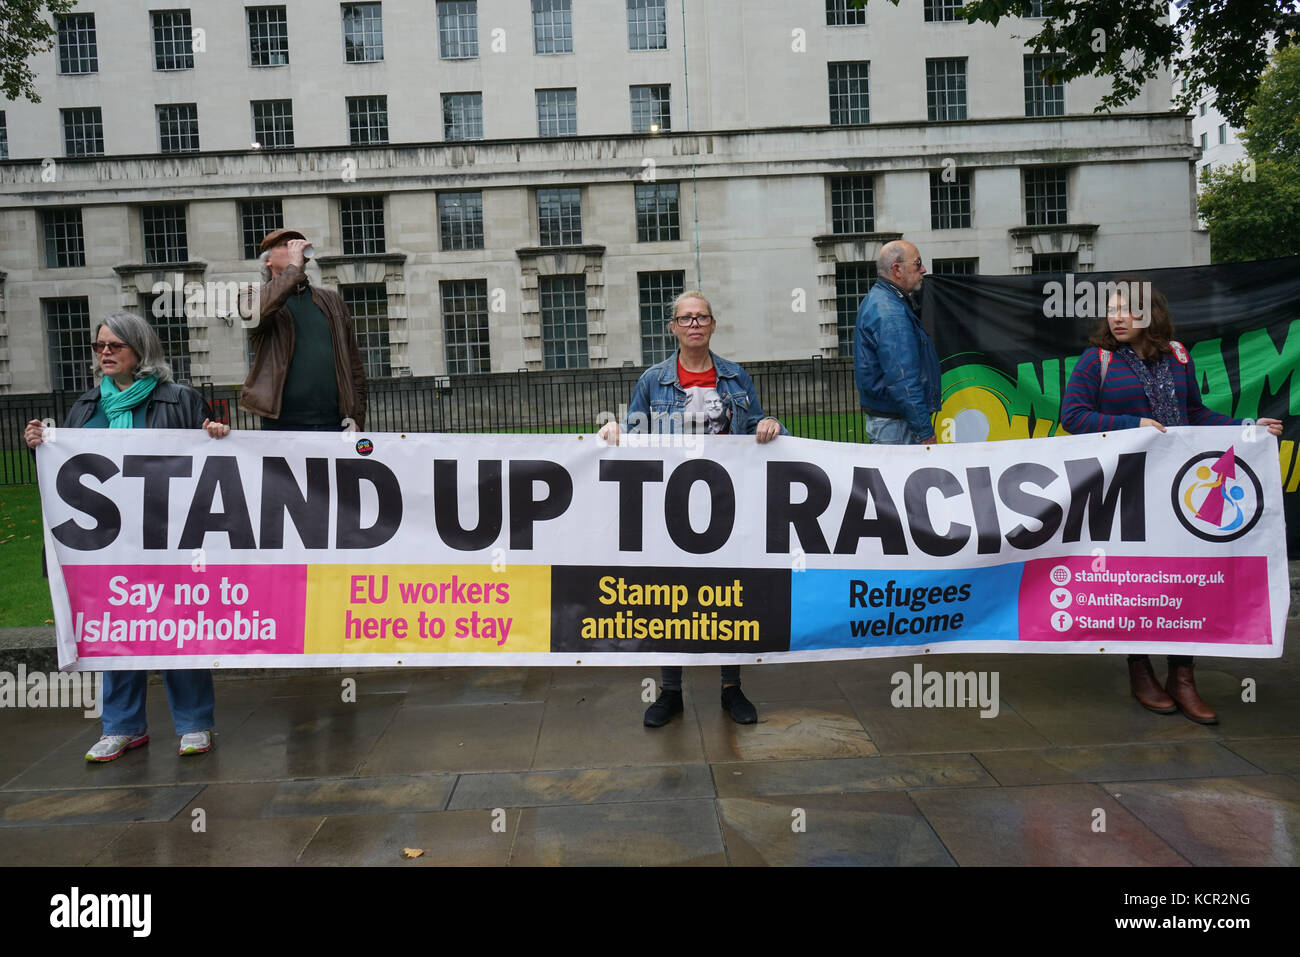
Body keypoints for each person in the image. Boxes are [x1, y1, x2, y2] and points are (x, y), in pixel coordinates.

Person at [1060, 283, 1282, 724]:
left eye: (1127, 311)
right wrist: (1134, 424)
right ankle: (1140, 670)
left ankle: (1184, 678)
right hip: (1126, 489)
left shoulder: (1178, 357)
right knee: (1134, 581)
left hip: (1177, 490)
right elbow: (1073, 416)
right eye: (1111, 311)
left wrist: (1246, 427)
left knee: (1185, 580)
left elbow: (1194, 414)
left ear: (1152, 315)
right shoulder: (1097, 360)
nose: (1116, 318)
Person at [25, 311, 231, 761]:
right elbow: (68, 472)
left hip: (169, 536)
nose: (104, 353)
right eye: (100, 346)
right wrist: (42, 441)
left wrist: (214, 435)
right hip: (107, 544)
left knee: (178, 627)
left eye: (115, 346)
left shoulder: (178, 399)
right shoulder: (86, 406)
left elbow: (207, 459)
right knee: (115, 630)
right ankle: (122, 726)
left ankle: (196, 724)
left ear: (140, 350)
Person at [599, 291, 783, 727]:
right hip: (672, 506)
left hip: (725, 505)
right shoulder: (653, 380)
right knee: (670, 594)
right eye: (686, 318)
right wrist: (614, 428)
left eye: (702, 317)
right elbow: (635, 431)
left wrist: (770, 424)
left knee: (729, 593)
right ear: (674, 328)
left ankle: (731, 688)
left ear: (713, 325)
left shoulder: (735, 378)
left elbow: (756, 423)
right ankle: (671, 692)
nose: (695, 324)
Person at [240, 228, 368, 431]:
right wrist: (293, 268)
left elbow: (354, 366)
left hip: (334, 423)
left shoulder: (332, 300)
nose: (294, 247)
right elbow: (259, 312)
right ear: (268, 260)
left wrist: (357, 418)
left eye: (297, 243)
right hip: (282, 424)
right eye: (285, 244)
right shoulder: (251, 295)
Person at [853, 240, 940, 445]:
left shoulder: (882, 300)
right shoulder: (890, 312)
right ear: (897, 269)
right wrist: (925, 432)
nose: (924, 269)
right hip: (898, 426)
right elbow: (903, 379)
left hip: (892, 422)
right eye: (918, 263)